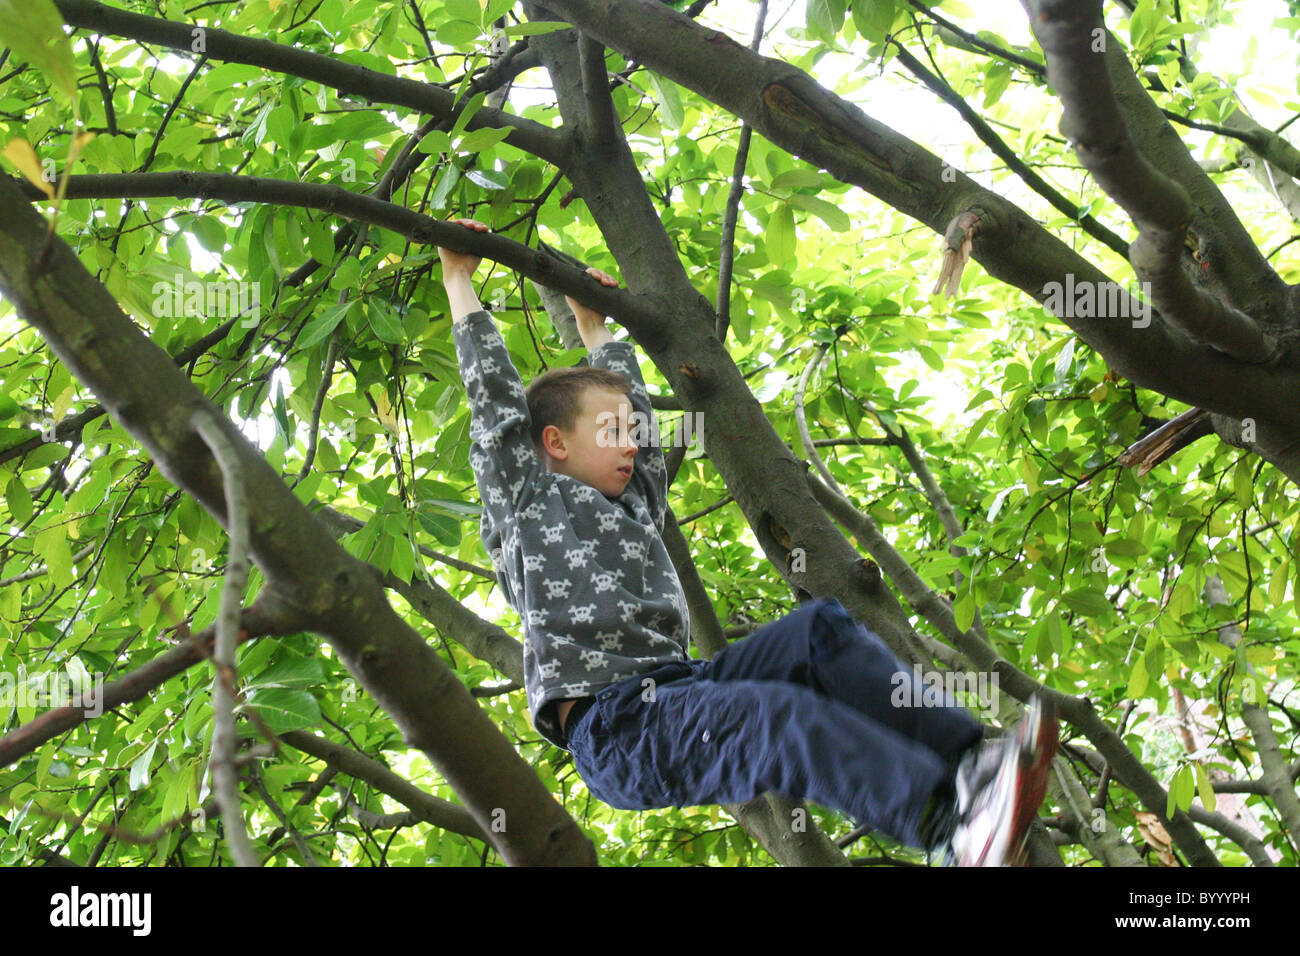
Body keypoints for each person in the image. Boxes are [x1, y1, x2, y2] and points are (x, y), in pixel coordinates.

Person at [438, 219, 1057, 865]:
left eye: (630, 430)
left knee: (818, 630)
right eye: (609, 431)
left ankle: (970, 768)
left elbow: (644, 433)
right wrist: (459, 277)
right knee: (775, 717)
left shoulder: (632, 502)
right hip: (618, 732)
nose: (630, 443)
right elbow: (495, 410)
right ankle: (944, 830)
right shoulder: (526, 501)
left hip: (683, 689)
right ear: (555, 446)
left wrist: (598, 328)